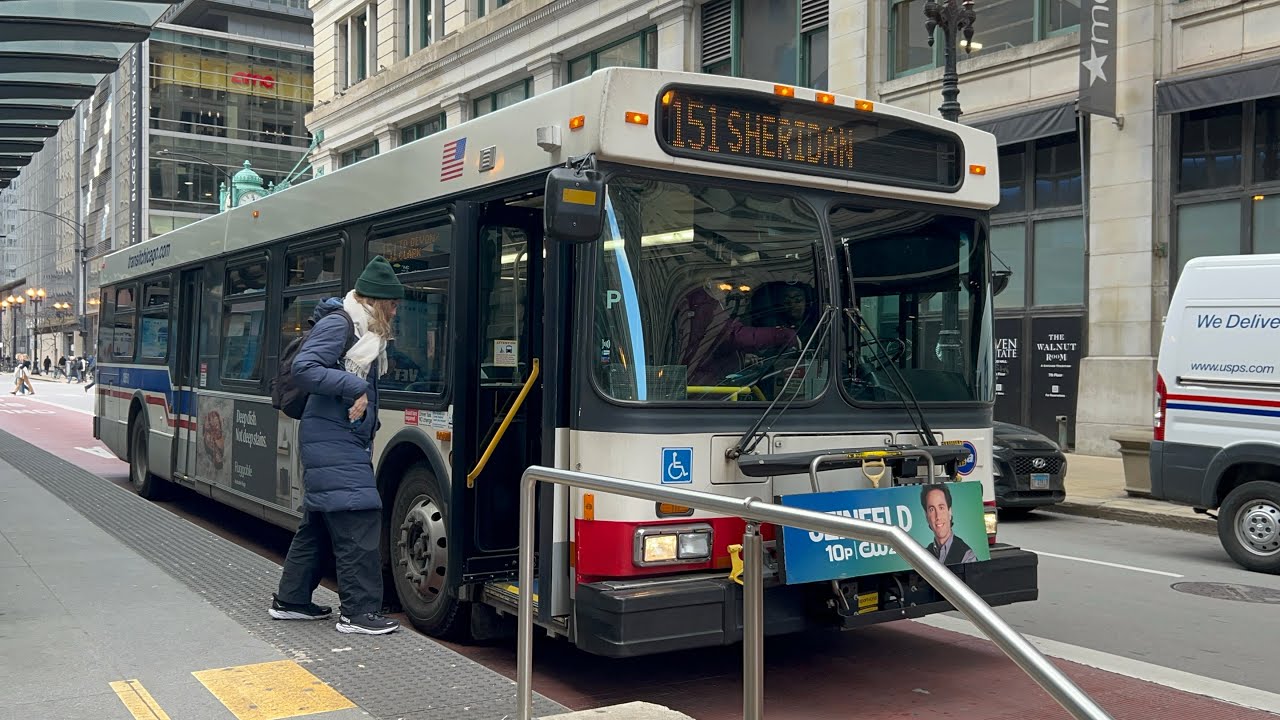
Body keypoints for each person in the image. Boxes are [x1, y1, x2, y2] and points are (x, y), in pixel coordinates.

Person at [271, 256, 404, 635]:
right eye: (392, 304)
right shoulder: (340, 323)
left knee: (317, 523)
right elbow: (306, 368)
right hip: (332, 439)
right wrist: (355, 387)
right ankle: (358, 613)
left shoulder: (364, 334)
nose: (395, 311)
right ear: (377, 301)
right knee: (358, 517)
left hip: (335, 436)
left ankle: (291, 601)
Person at [675, 282, 797, 386]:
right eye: (724, 286)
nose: (729, 292)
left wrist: (740, 357)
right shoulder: (705, 307)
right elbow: (734, 335)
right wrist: (783, 335)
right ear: (709, 282)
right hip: (702, 385)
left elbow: (713, 347)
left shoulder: (695, 303)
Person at [920, 483, 977, 565]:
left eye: (941, 508)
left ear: (950, 512)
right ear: (926, 516)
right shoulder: (923, 555)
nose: (938, 516)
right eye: (932, 509)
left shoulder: (967, 555)